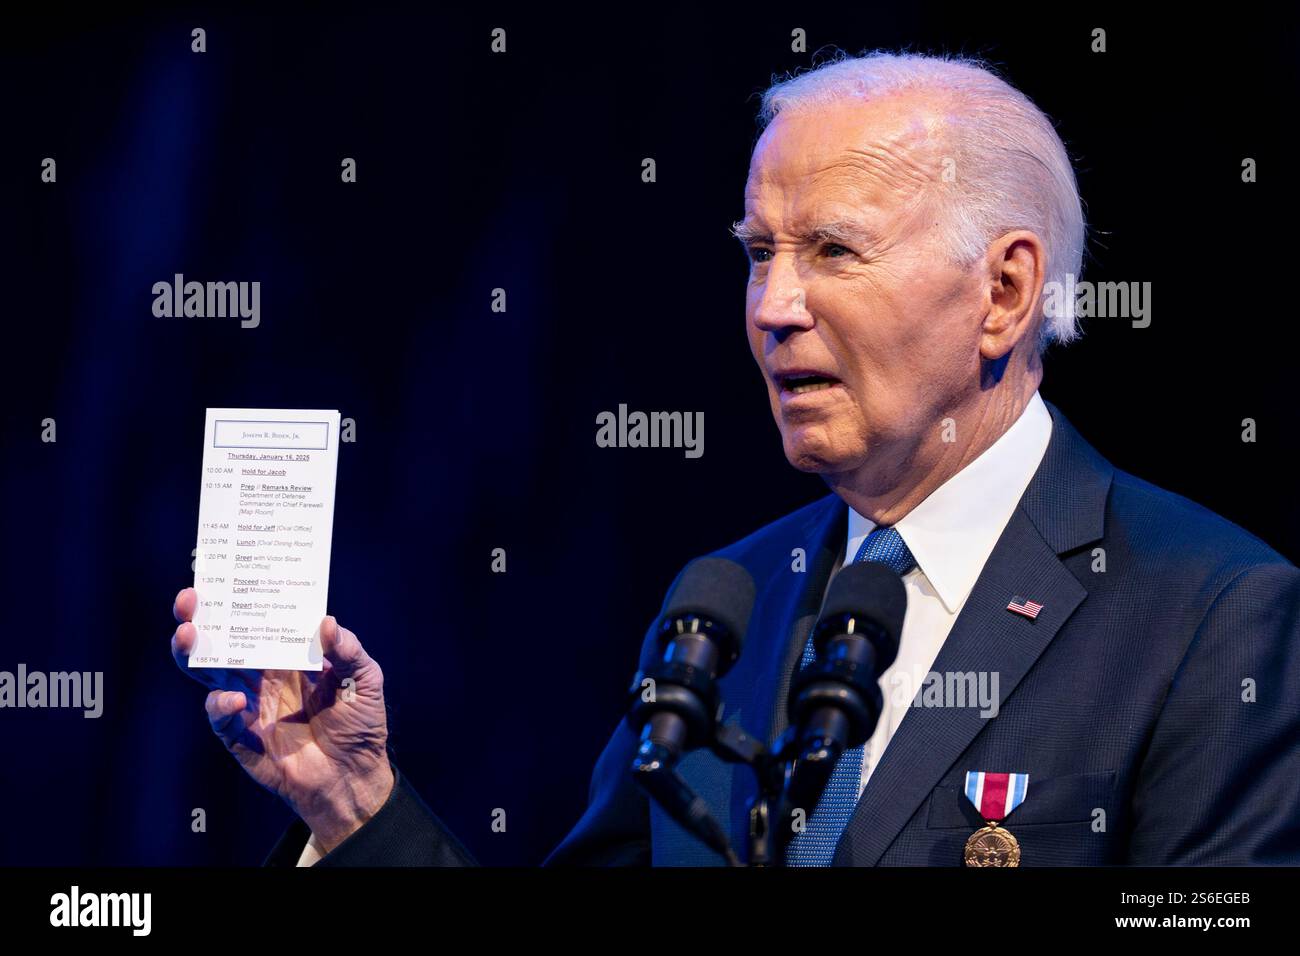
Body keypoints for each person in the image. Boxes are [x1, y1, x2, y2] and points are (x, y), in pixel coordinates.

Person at [170, 50, 1300, 866]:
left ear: (1003, 291)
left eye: (831, 251)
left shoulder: (1213, 612)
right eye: (758, 253)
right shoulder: (729, 603)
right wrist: (355, 800)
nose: (772, 306)